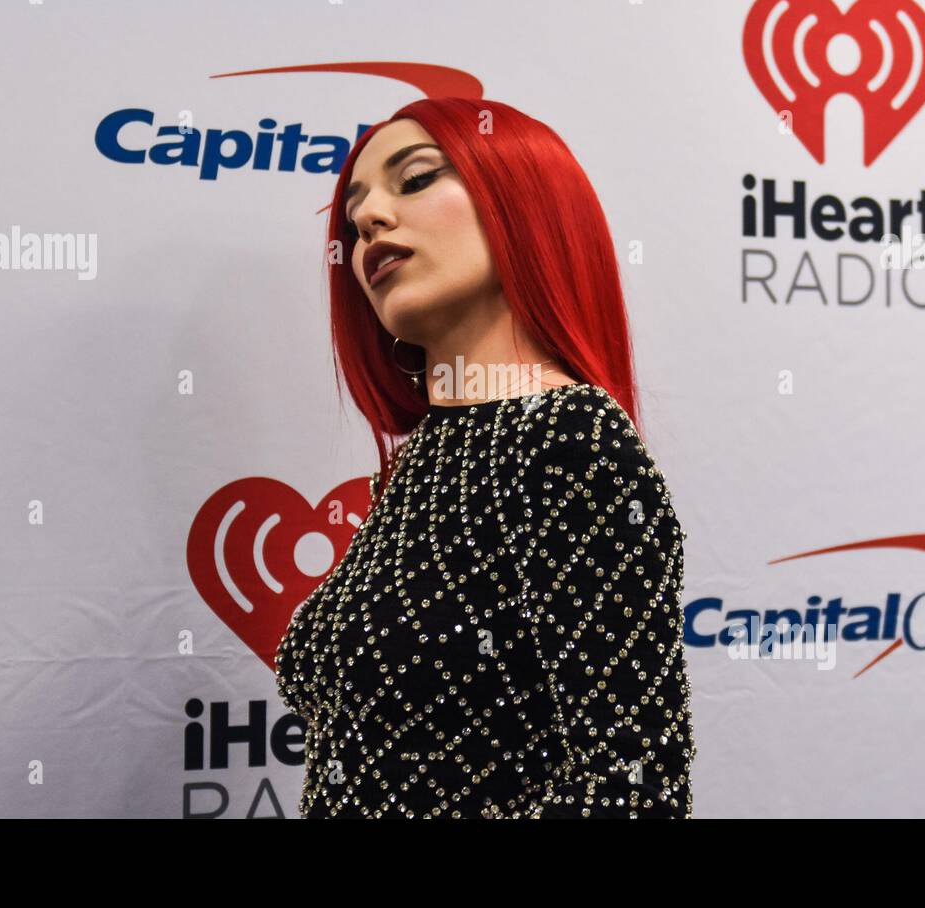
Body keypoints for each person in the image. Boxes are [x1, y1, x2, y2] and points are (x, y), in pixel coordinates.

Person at [274, 97, 696, 817]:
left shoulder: (571, 440)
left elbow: (631, 788)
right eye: (355, 212)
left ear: (522, 204)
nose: (370, 217)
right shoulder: (425, 460)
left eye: (413, 180)